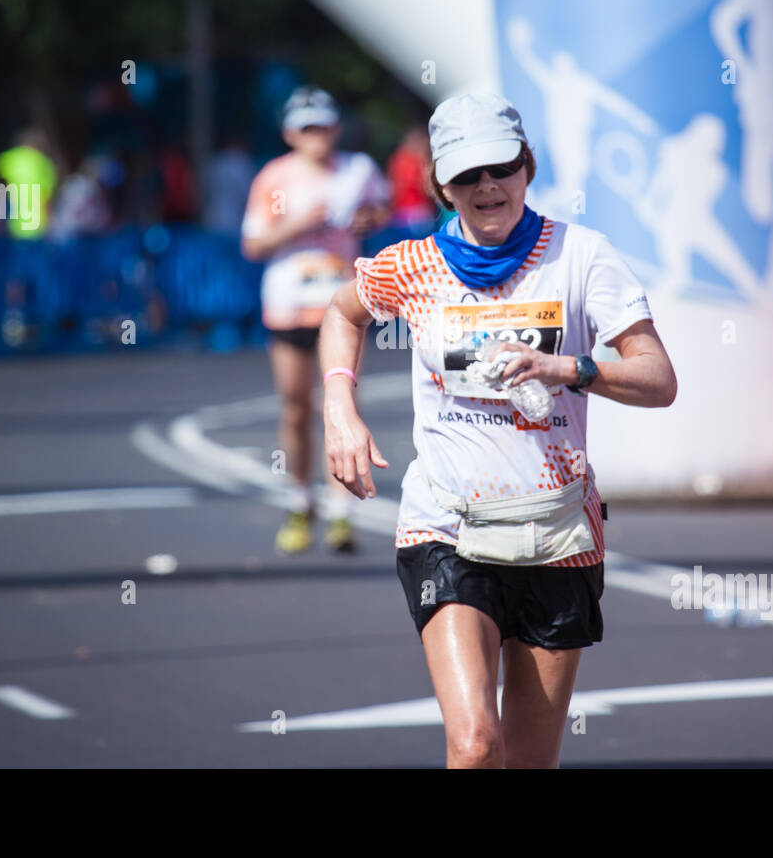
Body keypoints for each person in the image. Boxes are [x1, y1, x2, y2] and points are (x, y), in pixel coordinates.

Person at [319, 92, 677, 768]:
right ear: (440, 186)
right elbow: (342, 314)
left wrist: (564, 366)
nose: (487, 186)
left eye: (501, 167)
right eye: (466, 175)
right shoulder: (412, 266)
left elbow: (658, 379)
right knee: (476, 742)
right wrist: (340, 408)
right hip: (447, 523)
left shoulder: (582, 257)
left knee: (527, 760)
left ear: (528, 167)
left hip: (557, 529)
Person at [241, 86, 389, 555]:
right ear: (290, 132)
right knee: (295, 408)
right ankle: (299, 501)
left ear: (336, 128)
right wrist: (301, 223)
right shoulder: (274, 177)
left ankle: (342, 513)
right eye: (306, 128)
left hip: (341, 308)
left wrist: (368, 219)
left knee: (339, 408)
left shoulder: (357, 170)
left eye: (323, 126)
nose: (316, 136)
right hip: (288, 303)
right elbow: (254, 244)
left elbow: (380, 210)